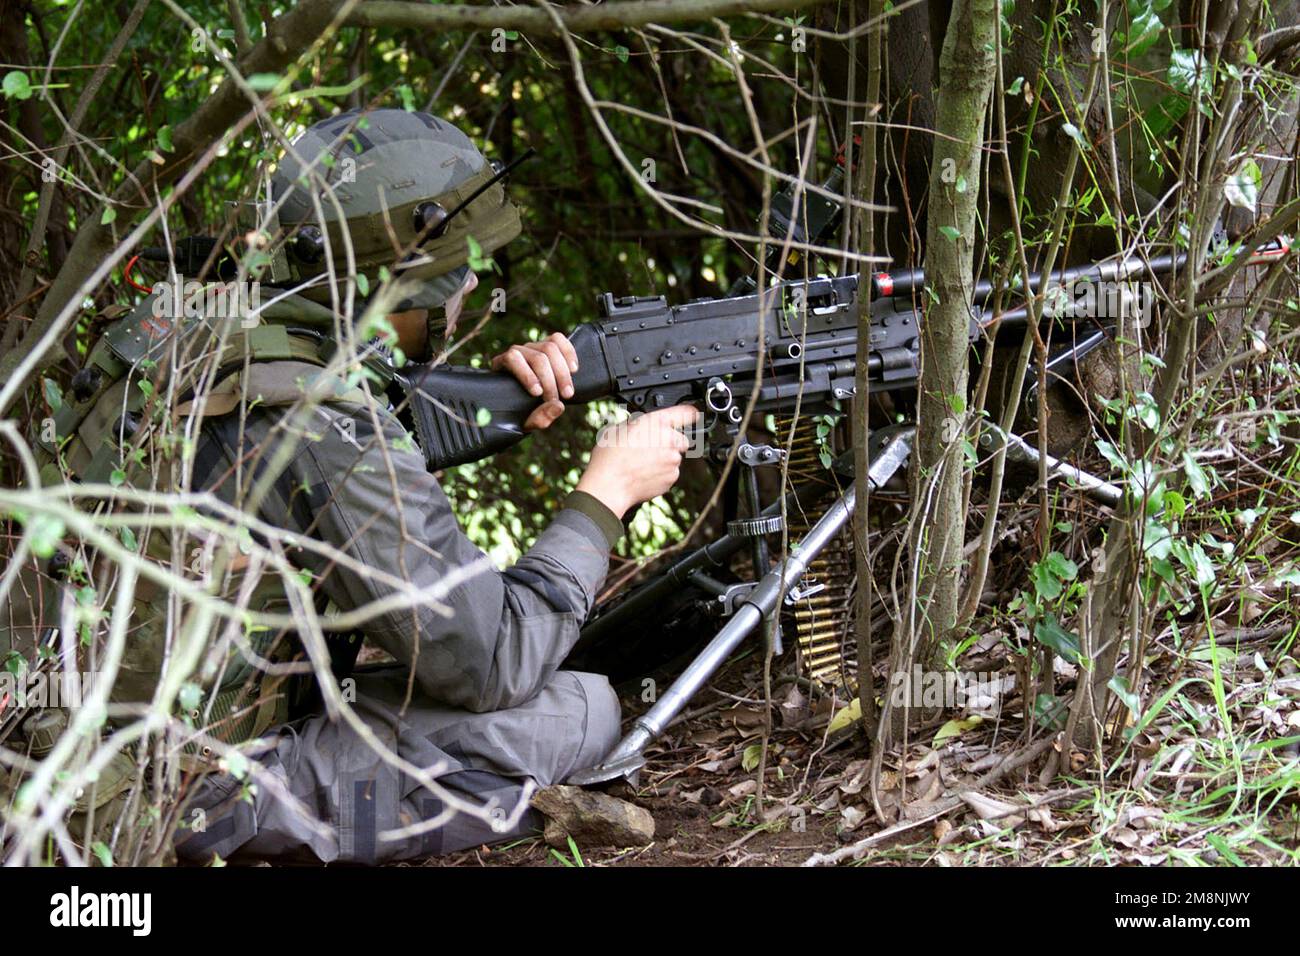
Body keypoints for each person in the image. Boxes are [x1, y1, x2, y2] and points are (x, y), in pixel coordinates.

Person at [16, 108, 698, 863]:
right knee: (576, 711)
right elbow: (490, 661)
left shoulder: (191, 325)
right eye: (459, 270)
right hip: (150, 797)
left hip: (57, 734)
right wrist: (606, 493)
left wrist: (488, 399)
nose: (472, 284)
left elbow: (302, 466)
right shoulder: (318, 415)